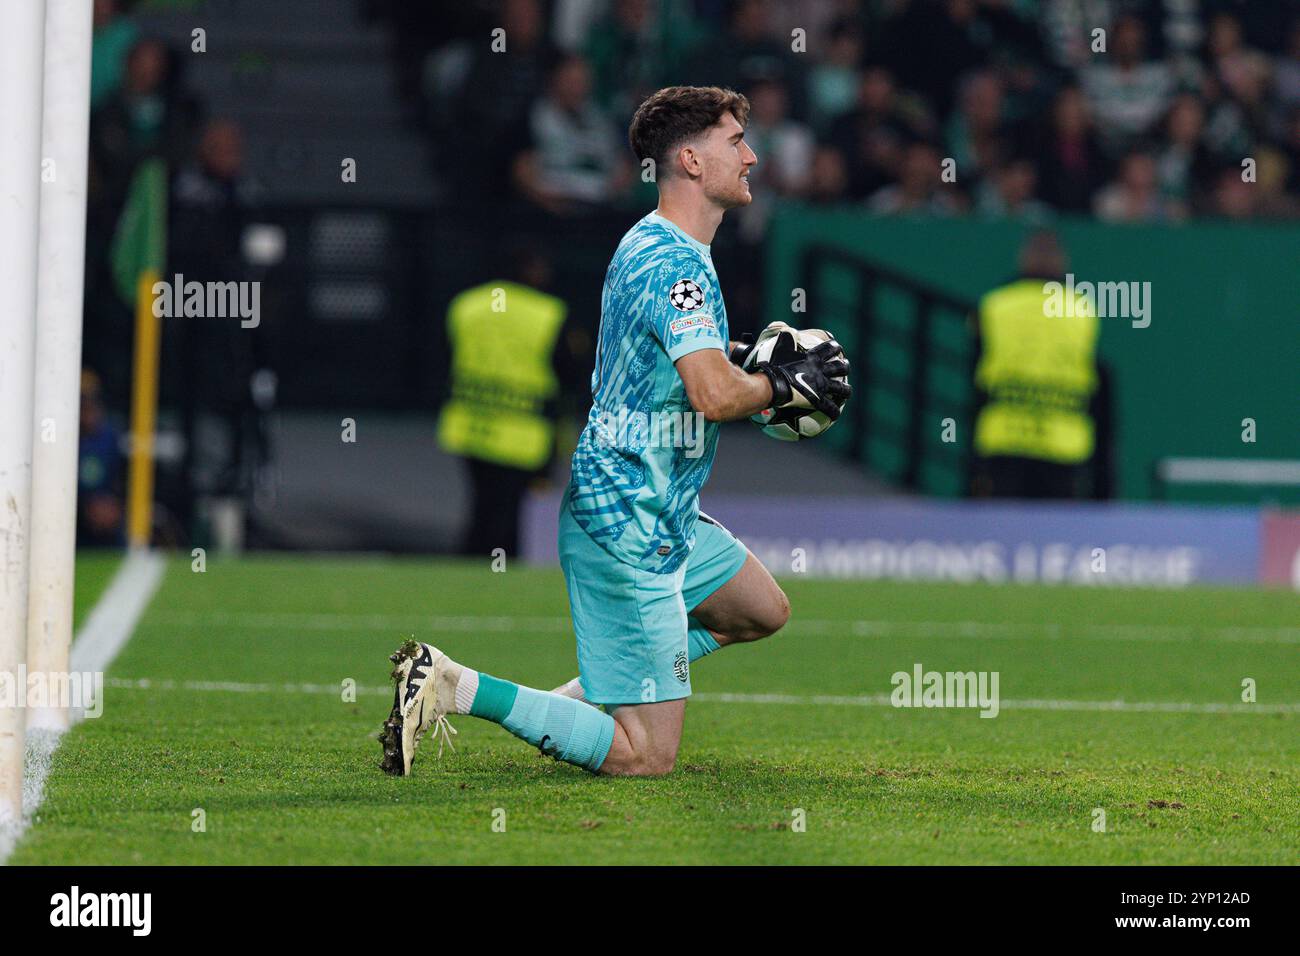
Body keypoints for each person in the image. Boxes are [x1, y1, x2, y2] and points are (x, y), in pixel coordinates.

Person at [381, 86, 851, 777]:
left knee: (758, 610)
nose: (752, 157)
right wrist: (782, 385)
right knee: (645, 756)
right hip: (627, 520)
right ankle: (454, 685)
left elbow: (687, 370)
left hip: (660, 509)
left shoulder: (657, 241)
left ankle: (577, 702)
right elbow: (714, 394)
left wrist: (748, 361)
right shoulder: (677, 266)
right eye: (734, 143)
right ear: (690, 160)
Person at [437, 249, 571, 558]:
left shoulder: (467, 305)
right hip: (522, 432)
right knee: (511, 515)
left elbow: (446, 358)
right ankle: (502, 572)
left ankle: (468, 566)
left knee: (482, 505)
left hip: (470, 424)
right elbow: (569, 374)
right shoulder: (547, 313)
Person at [969, 230, 1114, 500]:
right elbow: (1097, 381)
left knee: (1004, 535)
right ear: (1062, 262)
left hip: (1004, 441)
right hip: (1062, 445)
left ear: (1023, 259)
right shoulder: (1081, 309)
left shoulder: (995, 305)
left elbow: (976, 377)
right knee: (1055, 536)